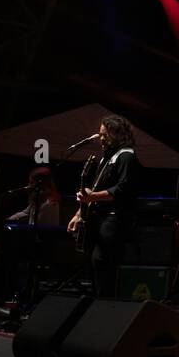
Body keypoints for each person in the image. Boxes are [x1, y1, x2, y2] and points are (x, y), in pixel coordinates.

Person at [67, 115, 140, 297]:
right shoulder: (106, 159)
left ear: (117, 135)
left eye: (105, 134)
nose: (101, 138)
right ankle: (98, 303)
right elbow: (94, 191)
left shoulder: (126, 157)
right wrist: (78, 214)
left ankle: (105, 306)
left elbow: (123, 189)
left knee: (102, 261)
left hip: (114, 218)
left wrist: (92, 196)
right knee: (93, 263)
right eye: (100, 135)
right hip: (99, 217)